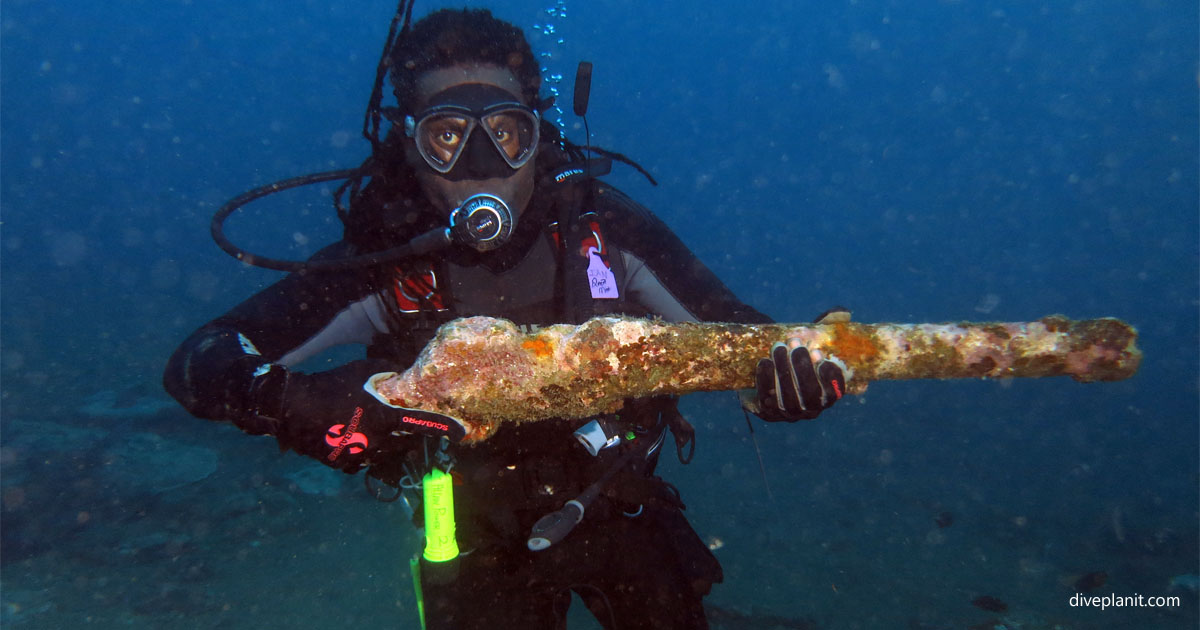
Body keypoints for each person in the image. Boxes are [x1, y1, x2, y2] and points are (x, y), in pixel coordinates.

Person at [164, 7, 845, 629]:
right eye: (449, 136)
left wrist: (791, 377)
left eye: (506, 133)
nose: (481, 165)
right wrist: (289, 399)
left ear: (537, 134)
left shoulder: (600, 230)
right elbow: (202, 359)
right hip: (468, 531)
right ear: (409, 147)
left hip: (621, 499)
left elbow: (741, 333)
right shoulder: (379, 265)